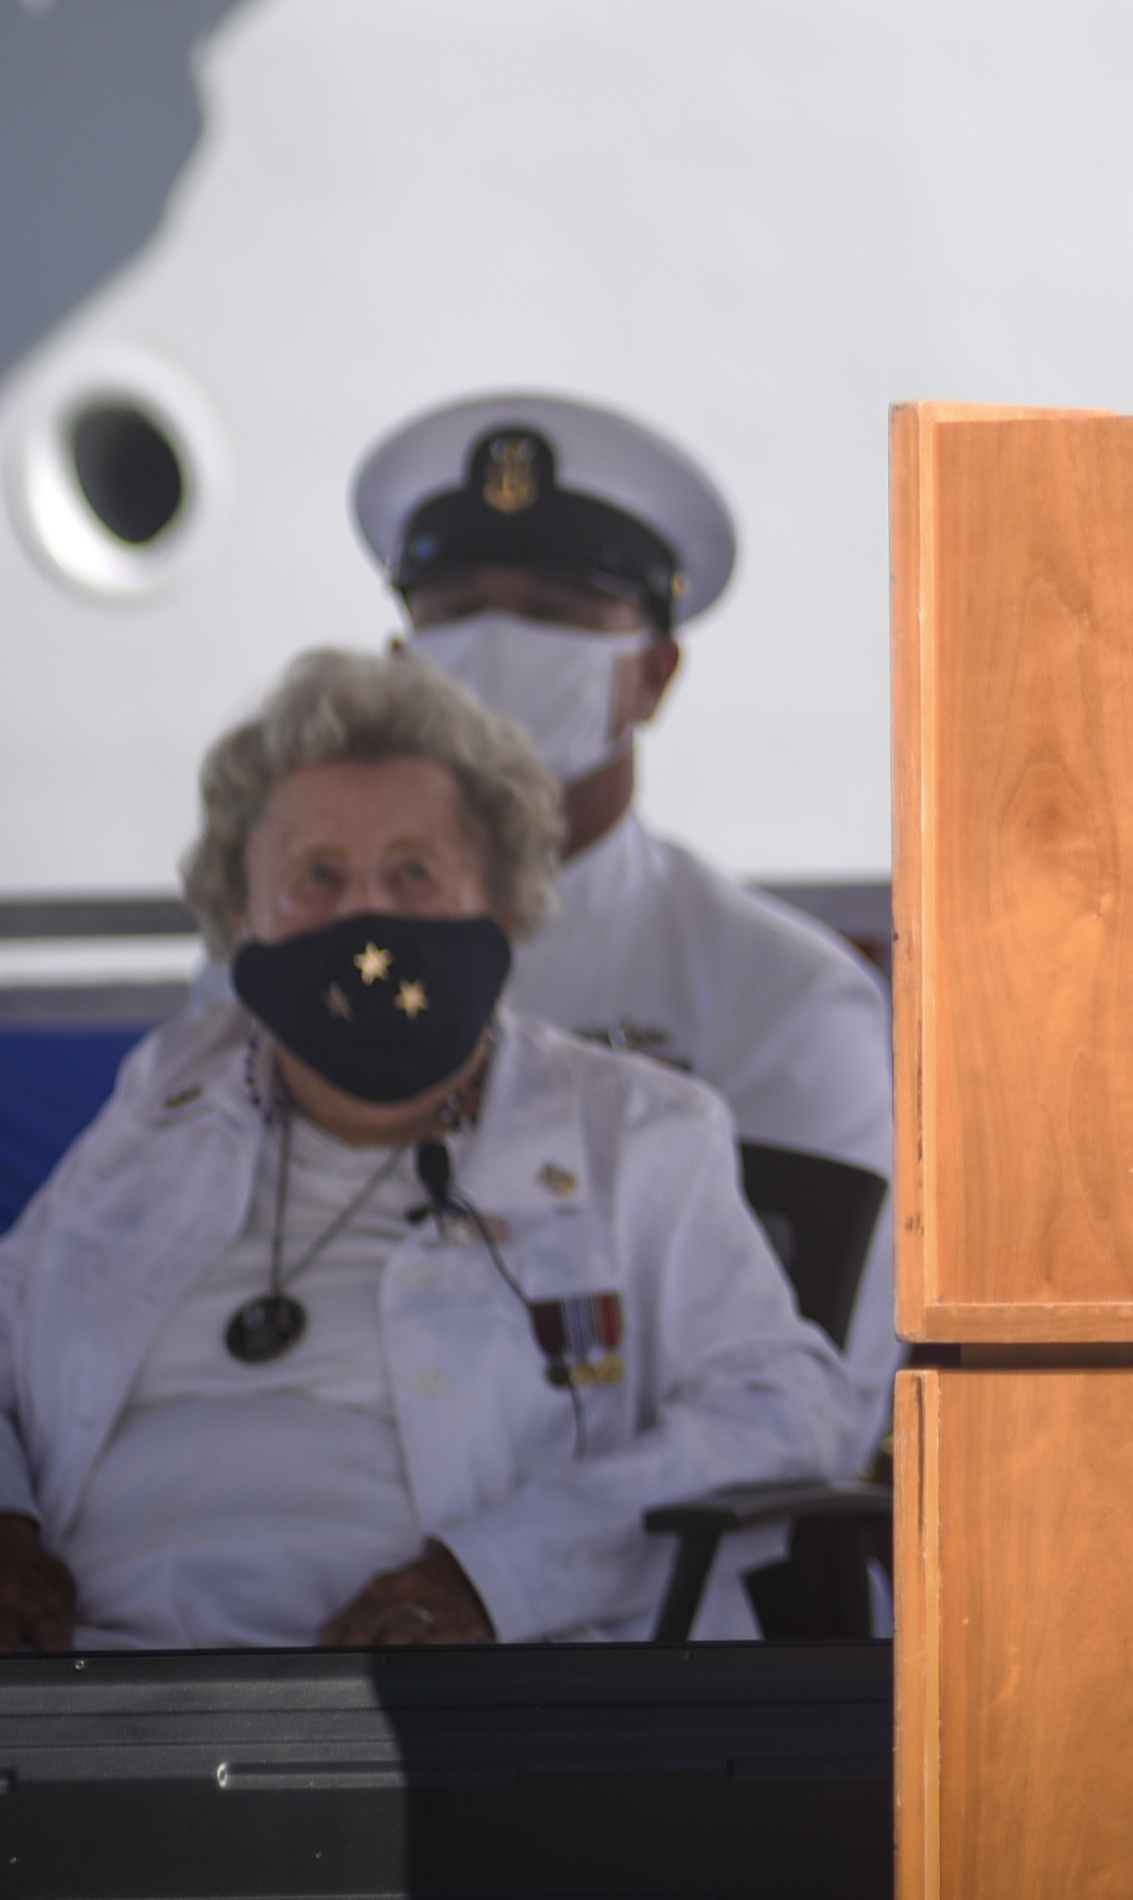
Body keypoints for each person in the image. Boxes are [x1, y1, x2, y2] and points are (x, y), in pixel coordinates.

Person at [0, 648, 850, 1651]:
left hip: (452, 1726)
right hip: (98, 1698)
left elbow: (783, 1411)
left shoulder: (634, 1132)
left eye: (414, 873)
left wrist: (495, 1577)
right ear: (239, 923)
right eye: (318, 876)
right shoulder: (165, 1099)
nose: (366, 923)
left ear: (505, 903)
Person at [351, 393, 900, 1468]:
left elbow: (808, 1394)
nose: (500, 646)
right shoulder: (268, 969)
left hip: (645, 1582)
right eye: (457, 606)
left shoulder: (780, 998)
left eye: (555, 610)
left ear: (652, 674)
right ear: (403, 660)